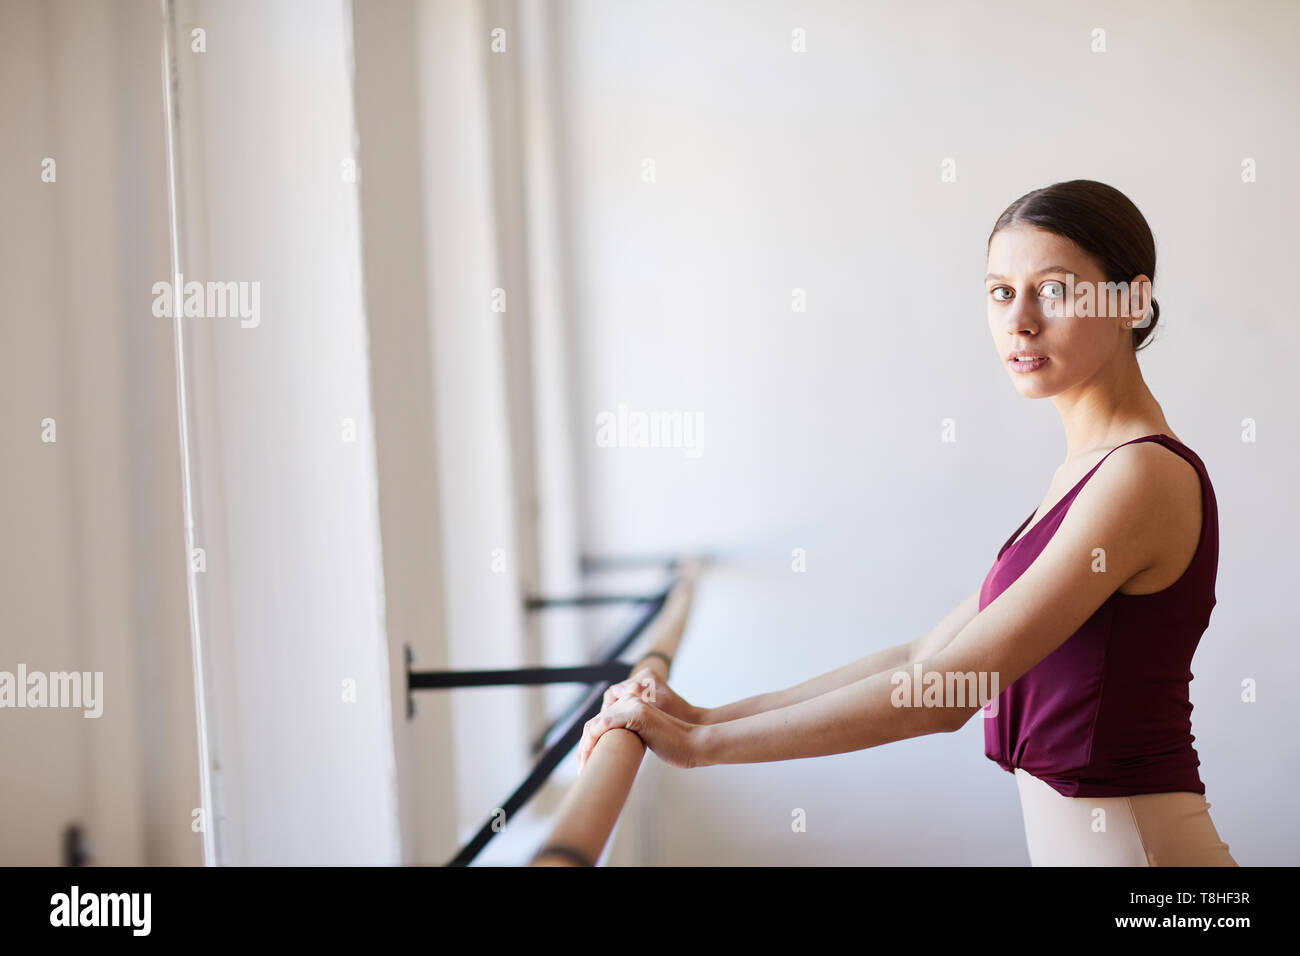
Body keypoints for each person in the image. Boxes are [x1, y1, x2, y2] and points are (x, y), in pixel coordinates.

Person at [577, 180, 1237, 866]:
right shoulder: (1090, 471)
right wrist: (702, 717)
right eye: (1001, 292)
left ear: (1131, 301)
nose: (1020, 321)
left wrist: (703, 748)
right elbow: (921, 658)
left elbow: (948, 693)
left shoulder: (1142, 476)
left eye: (1055, 289)